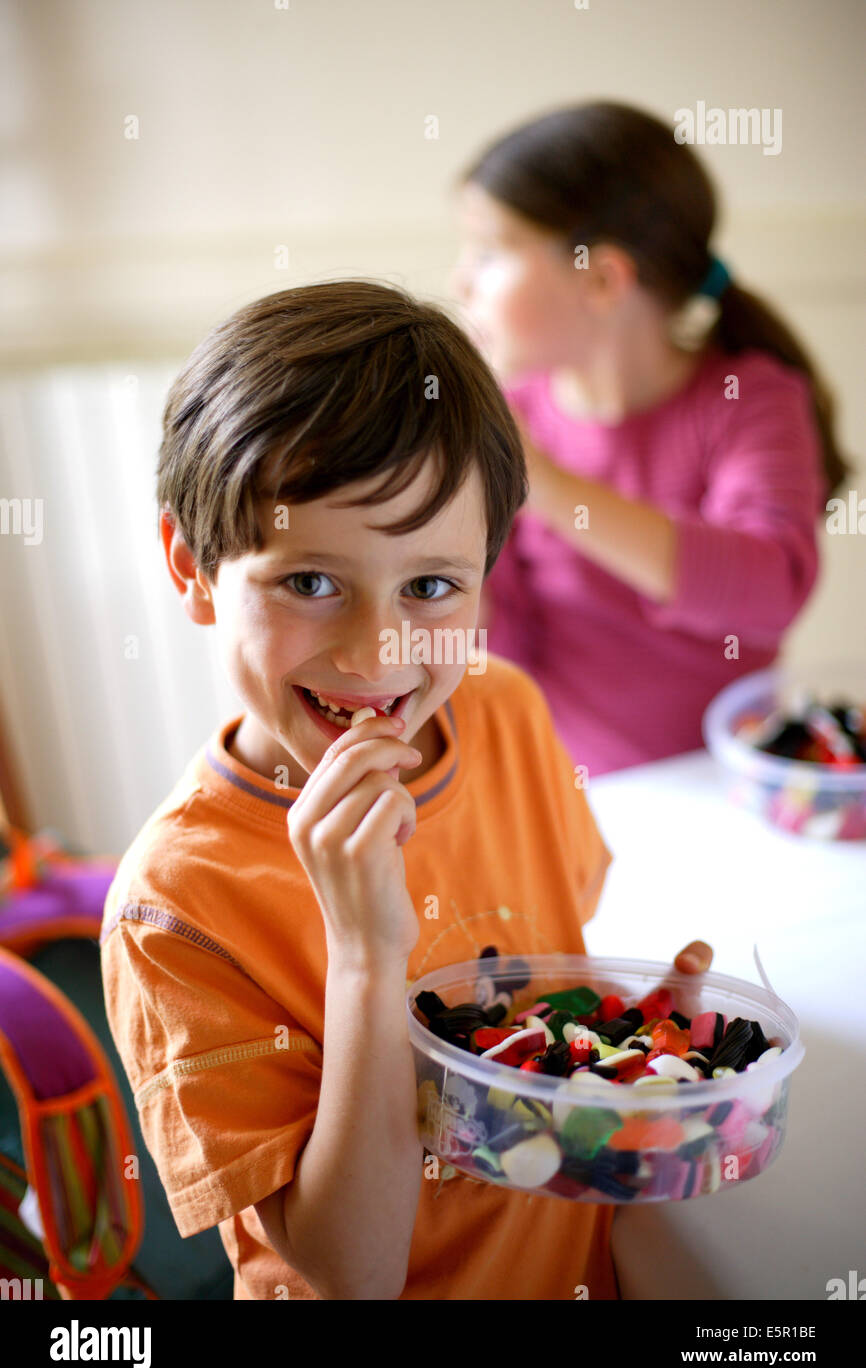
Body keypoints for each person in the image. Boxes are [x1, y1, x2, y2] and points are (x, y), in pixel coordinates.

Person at [100, 280, 712, 1301]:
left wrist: (631, 1041)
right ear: (192, 567)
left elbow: (532, 1003)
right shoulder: (174, 910)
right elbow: (353, 1274)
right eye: (309, 582)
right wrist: (365, 952)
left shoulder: (504, 712)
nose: (378, 649)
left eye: (430, 586)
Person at [450, 101, 849, 775]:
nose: (461, 281)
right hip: (564, 792)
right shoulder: (509, 421)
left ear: (603, 277)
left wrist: (543, 483)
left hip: (721, 787)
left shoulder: (747, 400)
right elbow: (501, 653)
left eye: (489, 252)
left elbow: (772, 588)